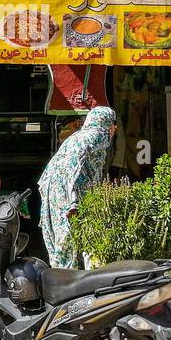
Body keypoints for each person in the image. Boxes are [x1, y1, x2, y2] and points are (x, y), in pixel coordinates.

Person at [37, 106, 117, 268]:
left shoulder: (76, 137)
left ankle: (61, 277)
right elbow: (84, 169)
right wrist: (77, 201)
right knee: (73, 237)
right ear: (107, 122)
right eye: (114, 123)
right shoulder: (100, 135)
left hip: (54, 192)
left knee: (61, 238)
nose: (115, 128)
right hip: (71, 194)